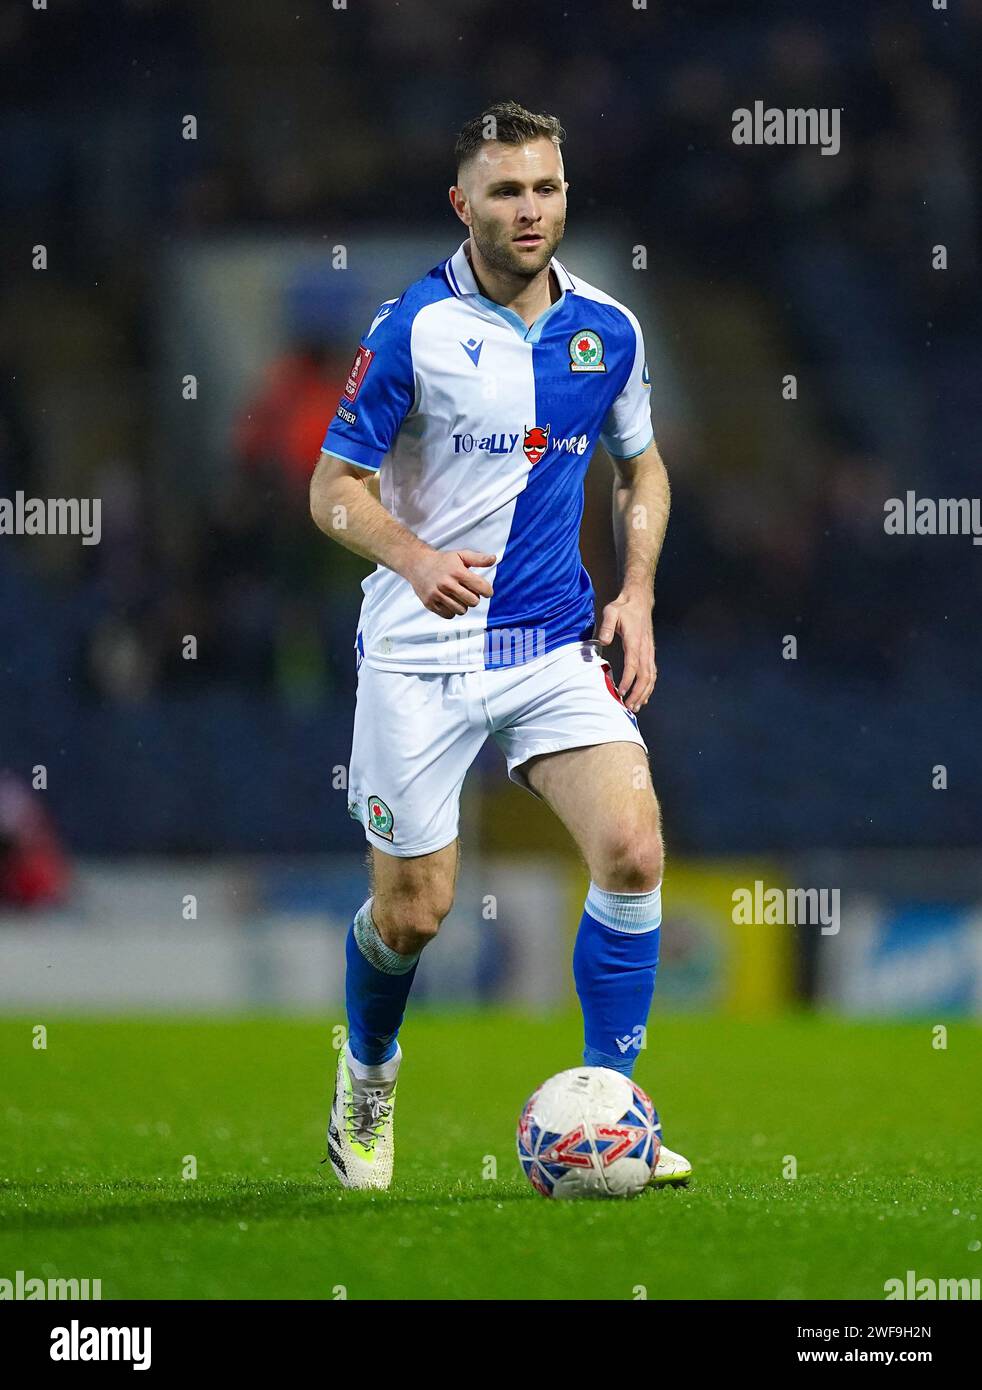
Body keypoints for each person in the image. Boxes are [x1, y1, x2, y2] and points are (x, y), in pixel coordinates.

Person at [310, 101, 690, 1192]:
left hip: (547, 640)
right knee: (413, 913)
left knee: (633, 850)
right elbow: (331, 490)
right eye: (508, 190)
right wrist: (410, 554)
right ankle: (367, 1076)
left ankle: (613, 1108)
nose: (530, 210)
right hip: (420, 654)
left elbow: (643, 468)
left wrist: (639, 591)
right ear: (462, 203)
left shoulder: (608, 329)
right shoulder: (411, 329)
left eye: (547, 188)